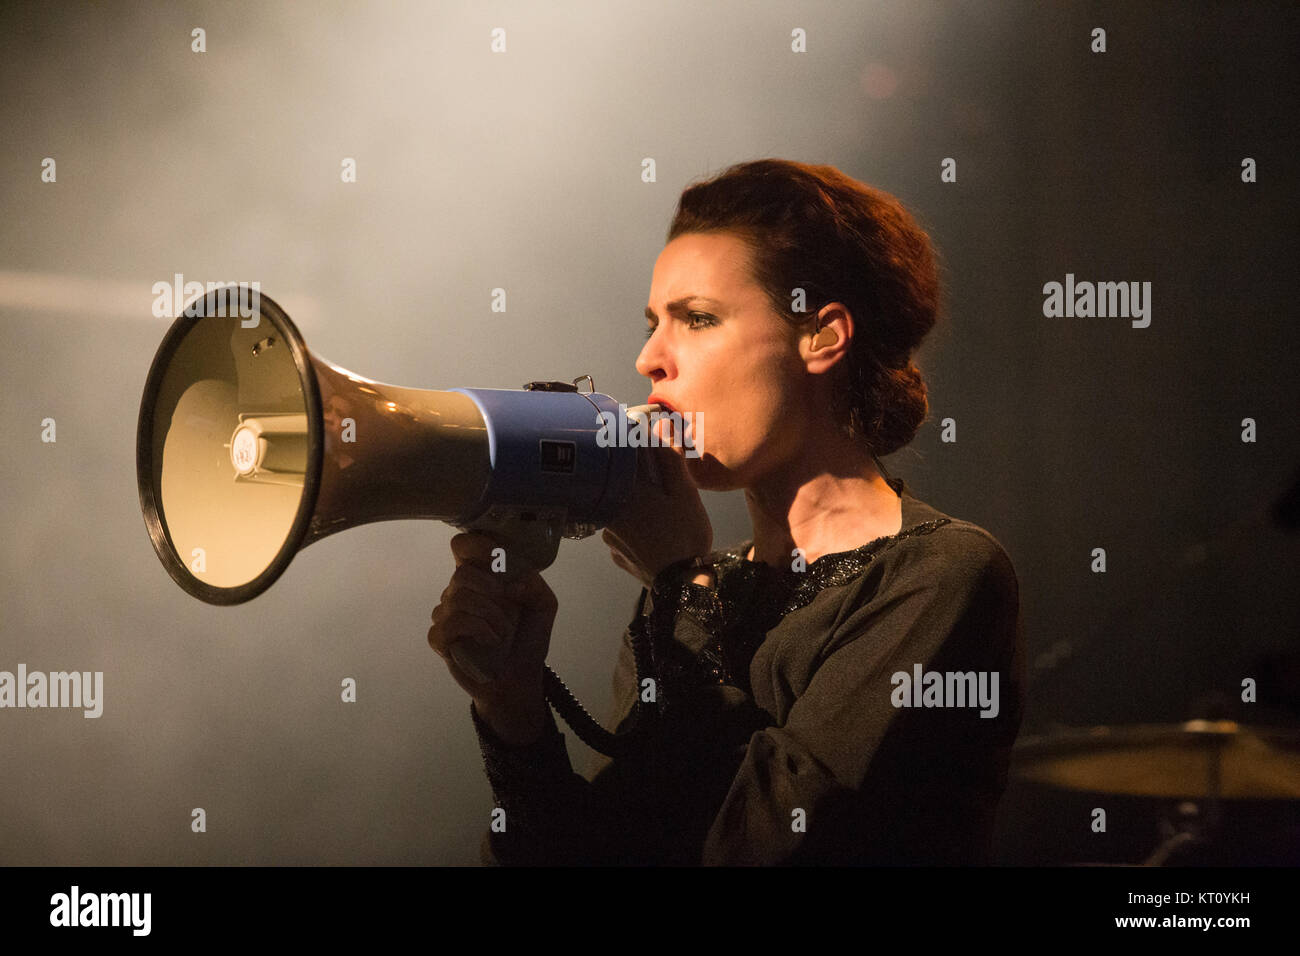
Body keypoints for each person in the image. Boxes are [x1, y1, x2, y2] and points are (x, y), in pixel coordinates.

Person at [427, 158, 1026, 865]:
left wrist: (681, 580)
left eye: (698, 319)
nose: (650, 358)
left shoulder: (942, 573)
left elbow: (773, 845)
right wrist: (516, 712)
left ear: (823, 337)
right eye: (654, 324)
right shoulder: (693, 596)